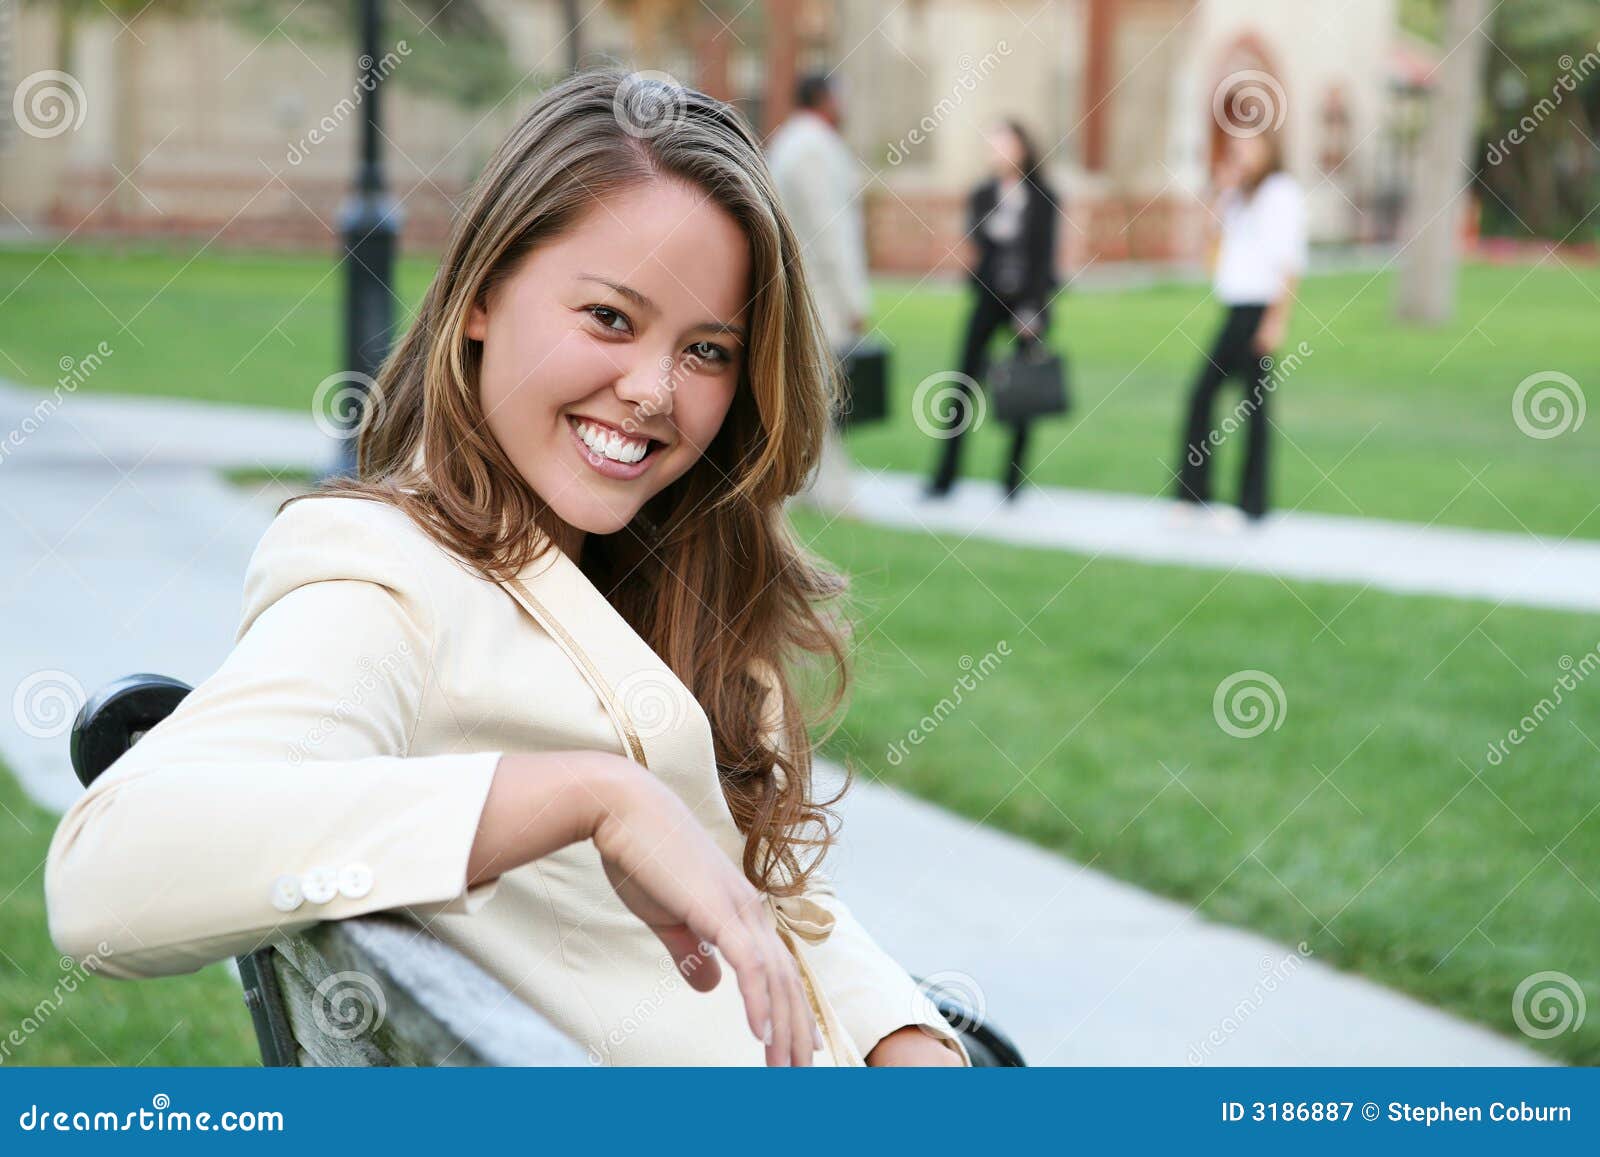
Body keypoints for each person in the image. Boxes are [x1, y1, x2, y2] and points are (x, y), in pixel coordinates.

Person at [44, 69, 968, 1069]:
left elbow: (748, 885)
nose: (654, 390)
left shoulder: (645, 570)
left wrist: (902, 1033)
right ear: (482, 297)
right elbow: (111, 873)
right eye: (610, 318)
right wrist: (592, 795)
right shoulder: (384, 579)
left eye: (706, 350)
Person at [1173, 127, 1307, 524]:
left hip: (1260, 308)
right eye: (1237, 149)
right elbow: (1209, 245)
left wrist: (1277, 320)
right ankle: (1196, 494)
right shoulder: (1236, 196)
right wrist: (1220, 191)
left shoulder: (1281, 193)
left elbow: (1290, 262)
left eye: (1250, 147)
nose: (1243, 155)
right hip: (1233, 307)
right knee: (1205, 396)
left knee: (1252, 406)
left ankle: (1251, 503)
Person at [925, 118, 1061, 503]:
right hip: (988, 297)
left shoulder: (1043, 196)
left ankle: (1012, 480)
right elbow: (977, 241)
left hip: (1027, 304)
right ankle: (945, 477)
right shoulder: (984, 193)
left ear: (1022, 148)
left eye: (1004, 144)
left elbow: (1044, 258)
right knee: (962, 386)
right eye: (993, 145)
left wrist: (1033, 309)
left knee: (1024, 390)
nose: (997, 152)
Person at [765, 71, 871, 518]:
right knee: (821, 396)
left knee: (809, 397)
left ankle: (806, 488)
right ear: (825, 98)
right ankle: (829, 494)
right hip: (817, 295)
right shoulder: (811, 148)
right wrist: (854, 300)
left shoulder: (791, 141)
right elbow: (832, 232)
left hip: (801, 291)